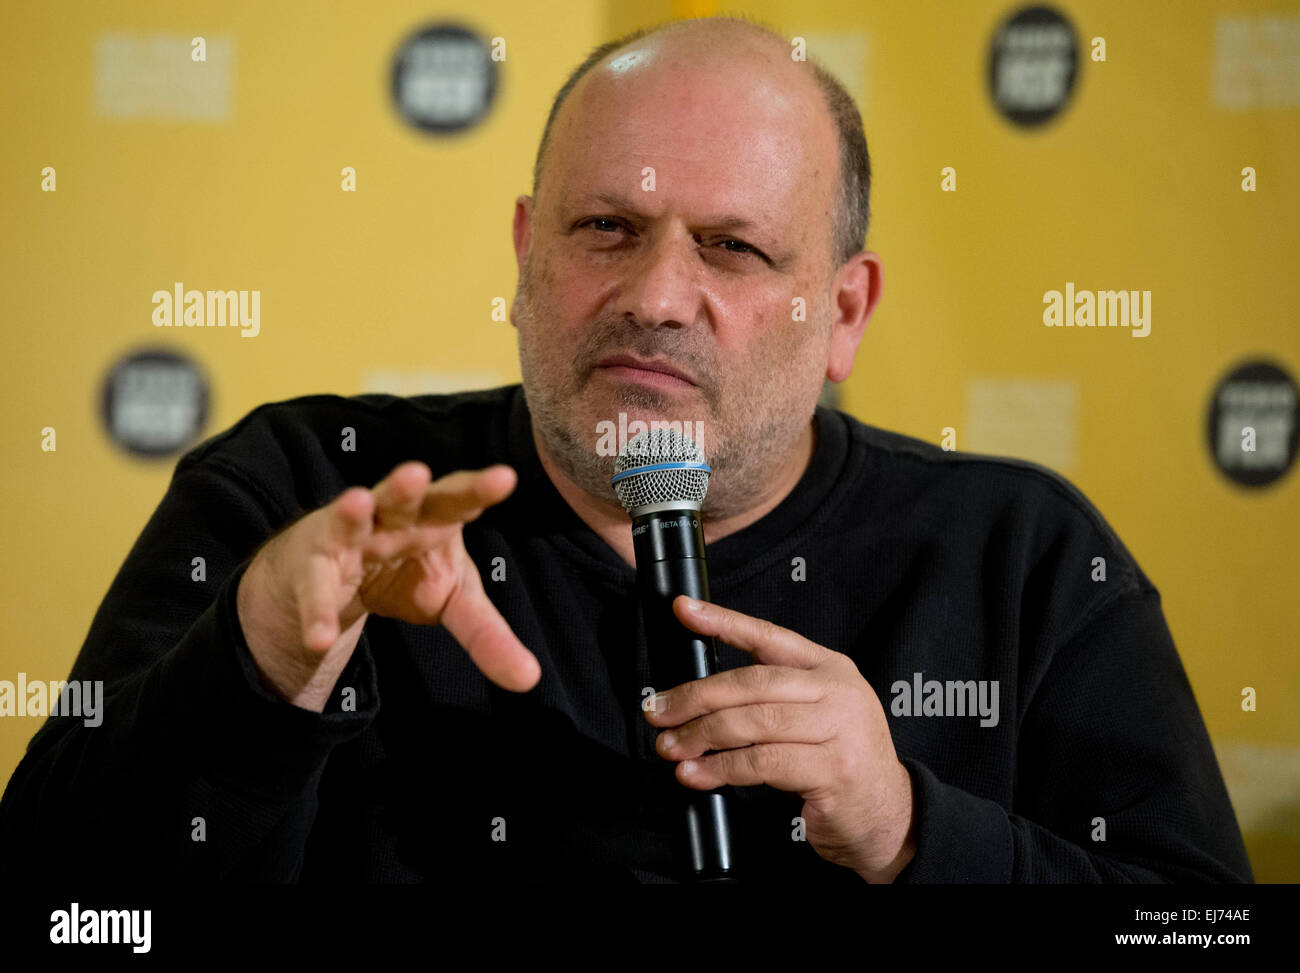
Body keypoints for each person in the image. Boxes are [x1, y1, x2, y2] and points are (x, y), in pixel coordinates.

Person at [0, 15, 1252, 885]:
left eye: (734, 247)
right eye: (605, 227)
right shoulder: (306, 493)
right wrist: (258, 669)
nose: (656, 294)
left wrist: (914, 830)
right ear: (525, 258)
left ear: (845, 314)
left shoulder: (1022, 557)